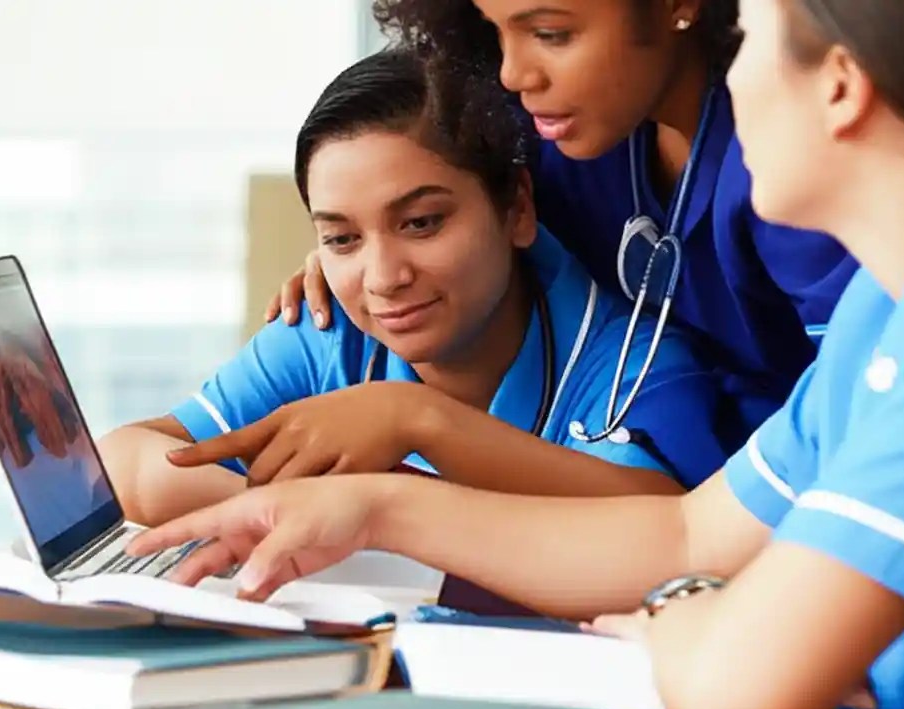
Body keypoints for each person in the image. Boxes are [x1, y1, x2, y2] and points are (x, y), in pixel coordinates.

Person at [129, 0, 904, 709]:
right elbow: (687, 542)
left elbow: (736, 684)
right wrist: (372, 505)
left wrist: (696, 626)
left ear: (840, 83)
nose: (728, 71)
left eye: (748, 35)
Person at [100, 47, 725, 582]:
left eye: (422, 223)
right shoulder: (329, 337)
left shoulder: (633, 366)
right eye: (342, 239)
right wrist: (317, 515)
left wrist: (419, 425)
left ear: (517, 210)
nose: (384, 278)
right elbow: (124, 465)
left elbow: (670, 538)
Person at [259, 0, 857, 458]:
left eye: (551, 34)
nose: (514, 73)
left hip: (785, 514)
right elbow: (457, 213)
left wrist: (417, 421)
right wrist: (355, 250)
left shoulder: (798, 167)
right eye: (493, 31)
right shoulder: (550, 133)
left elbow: (873, 422)